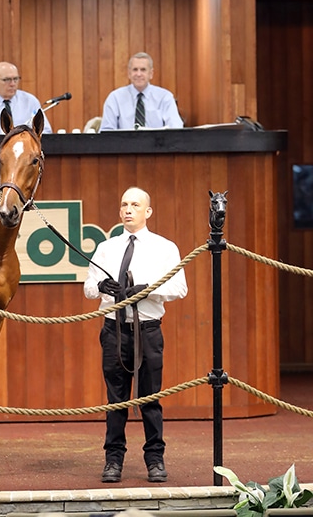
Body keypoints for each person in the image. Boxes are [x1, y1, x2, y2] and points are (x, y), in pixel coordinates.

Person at [83, 187, 188, 484]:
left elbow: (180, 288)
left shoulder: (165, 247)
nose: (128, 210)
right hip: (114, 331)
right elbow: (88, 287)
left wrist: (148, 289)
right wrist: (101, 287)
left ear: (148, 211)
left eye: (135, 205)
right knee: (115, 400)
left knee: (150, 399)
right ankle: (113, 460)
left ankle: (155, 460)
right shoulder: (106, 247)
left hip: (148, 331)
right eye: (124, 205)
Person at [99, 52, 183, 131]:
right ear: (129, 73)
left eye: (143, 70)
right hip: (124, 142)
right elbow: (106, 131)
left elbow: (176, 128)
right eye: (135, 70)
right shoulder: (115, 98)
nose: (138, 74)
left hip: (157, 142)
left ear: (151, 73)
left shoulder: (165, 97)